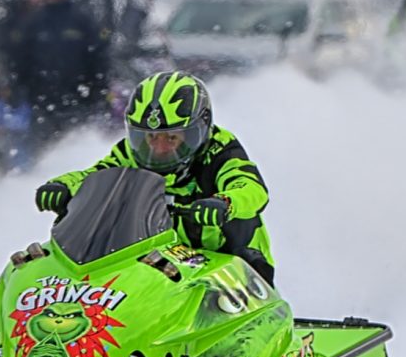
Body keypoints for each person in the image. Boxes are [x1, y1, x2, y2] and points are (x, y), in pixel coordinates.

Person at [34, 70, 276, 284]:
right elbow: (93, 177)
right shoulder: (131, 153)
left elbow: (251, 188)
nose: (159, 149)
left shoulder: (221, 150)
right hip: (155, 265)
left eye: (171, 138)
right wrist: (63, 186)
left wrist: (225, 202)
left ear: (200, 131)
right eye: (150, 138)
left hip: (225, 266)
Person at [6, 0, 109, 147]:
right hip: (41, 98)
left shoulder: (82, 20)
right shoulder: (33, 23)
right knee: (42, 147)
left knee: (75, 145)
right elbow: (19, 59)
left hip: (76, 96)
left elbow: (97, 57)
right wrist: (19, 89)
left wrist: (97, 90)